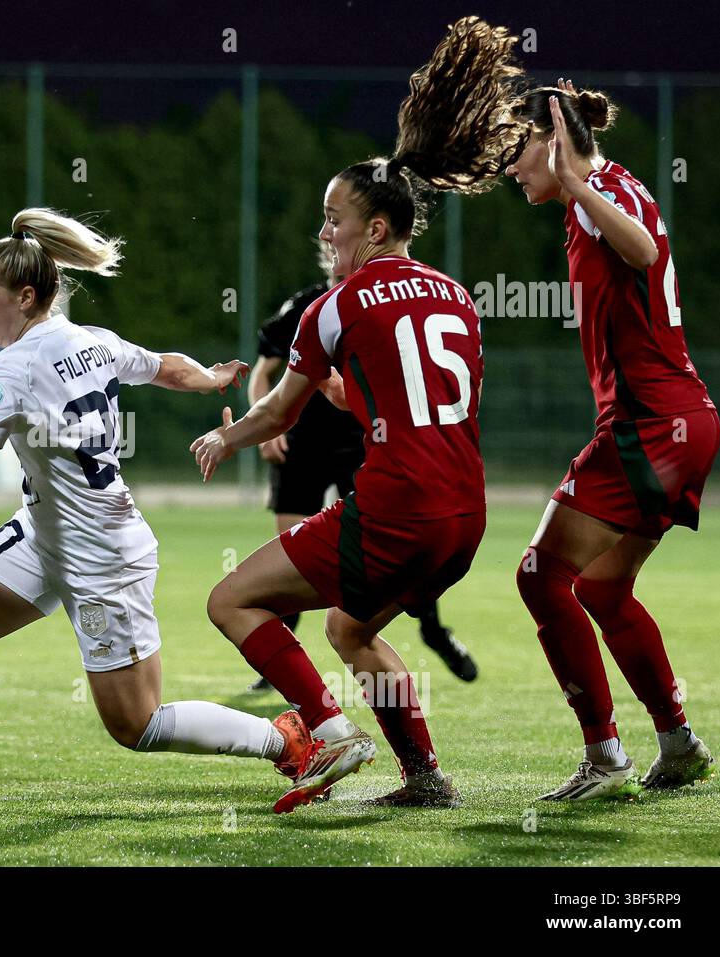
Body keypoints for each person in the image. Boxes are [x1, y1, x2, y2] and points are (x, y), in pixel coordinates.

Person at [0, 208, 317, 810]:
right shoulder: (91, 341)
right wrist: (208, 380)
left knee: (136, 725)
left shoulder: (11, 367)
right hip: (43, 535)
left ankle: (286, 739)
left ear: (25, 295)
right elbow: (163, 365)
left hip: (102, 554)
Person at [193, 16, 527, 810]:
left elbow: (279, 412)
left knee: (230, 600)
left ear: (375, 228)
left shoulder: (335, 306)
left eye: (334, 220)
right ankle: (425, 777)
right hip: (465, 514)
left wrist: (225, 434)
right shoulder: (457, 296)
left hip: (397, 508)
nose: (325, 233)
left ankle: (330, 731)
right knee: (349, 629)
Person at [505, 80, 719, 800]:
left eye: (520, 146)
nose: (512, 165)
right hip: (678, 421)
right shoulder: (608, 190)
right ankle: (678, 743)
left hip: (652, 426)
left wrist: (574, 182)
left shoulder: (599, 195)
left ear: (555, 137)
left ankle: (604, 755)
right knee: (602, 585)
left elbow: (641, 249)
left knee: (541, 576)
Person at [245, 247, 477, 694]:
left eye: (337, 224)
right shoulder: (307, 307)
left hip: (365, 440)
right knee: (285, 551)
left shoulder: (383, 304)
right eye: (328, 229)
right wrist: (263, 424)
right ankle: (279, 661)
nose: (331, 240)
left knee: (401, 551)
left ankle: (433, 630)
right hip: (303, 444)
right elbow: (263, 373)